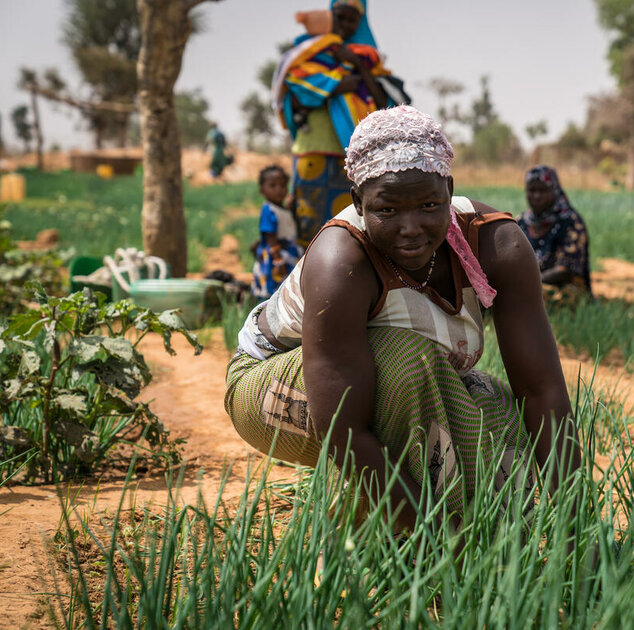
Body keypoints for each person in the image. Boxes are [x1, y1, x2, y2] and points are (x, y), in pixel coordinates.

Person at [225, 106, 581, 531]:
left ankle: (492, 535)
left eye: (429, 205)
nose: (411, 228)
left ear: (449, 190)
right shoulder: (342, 259)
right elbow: (344, 430)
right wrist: (438, 537)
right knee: (404, 359)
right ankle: (368, 541)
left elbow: (541, 391)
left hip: (387, 382)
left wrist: (576, 527)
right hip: (271, 387)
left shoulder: (497, 244)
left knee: (494, 406)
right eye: (388, 210)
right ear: (359, 202)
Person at [271, 0, 409, 248]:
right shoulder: (309, 54)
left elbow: (384, 104)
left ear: (360, 22)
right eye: (338, 17)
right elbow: (295, 99)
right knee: (308, 226)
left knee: (350, 230)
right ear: (329, 17)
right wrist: (337, 86)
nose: (344, 24)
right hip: (312, 154)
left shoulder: (368, 59)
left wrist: (356, 63)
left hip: (354, 160)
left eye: (351, 19)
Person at [518, 165, 592, 300]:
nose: (536, 196)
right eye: (532, 190)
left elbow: (565, 270)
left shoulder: (570, 222)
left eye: (543, 190)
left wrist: (528, 283)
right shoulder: (521, 222)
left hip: (563, 287)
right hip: (529, 284)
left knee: (528, 299)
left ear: (554, 191)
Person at [251, 165, 303, 299]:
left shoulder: (282, 209)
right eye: (272, 185)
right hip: (278, 253)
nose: (279, 190)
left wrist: (290, 208)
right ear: (262, 190)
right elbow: (270, 237)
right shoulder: (268, 210)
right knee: (276, 286)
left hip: (289, 251)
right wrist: (278, 260)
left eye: (283, 185)